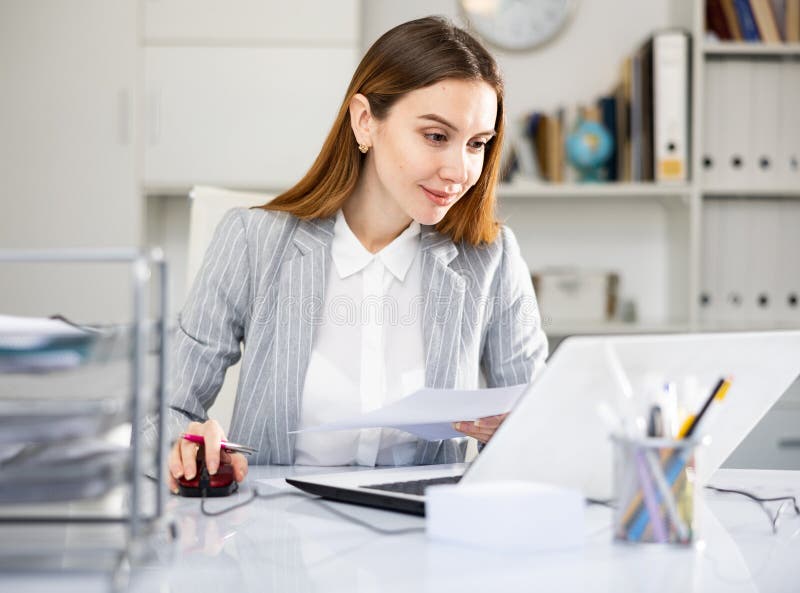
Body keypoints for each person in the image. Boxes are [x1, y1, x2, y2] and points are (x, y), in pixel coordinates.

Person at [158, 16, 548, 494]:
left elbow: (540, 429)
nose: (459, 169)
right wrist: (187, 444)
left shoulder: (491, 259)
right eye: (435, 136)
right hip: (275, 538)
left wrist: (516, 434)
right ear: (365, 121)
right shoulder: (253, 241)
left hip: (421, 544)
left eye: (477, 144)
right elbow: (164, 413)